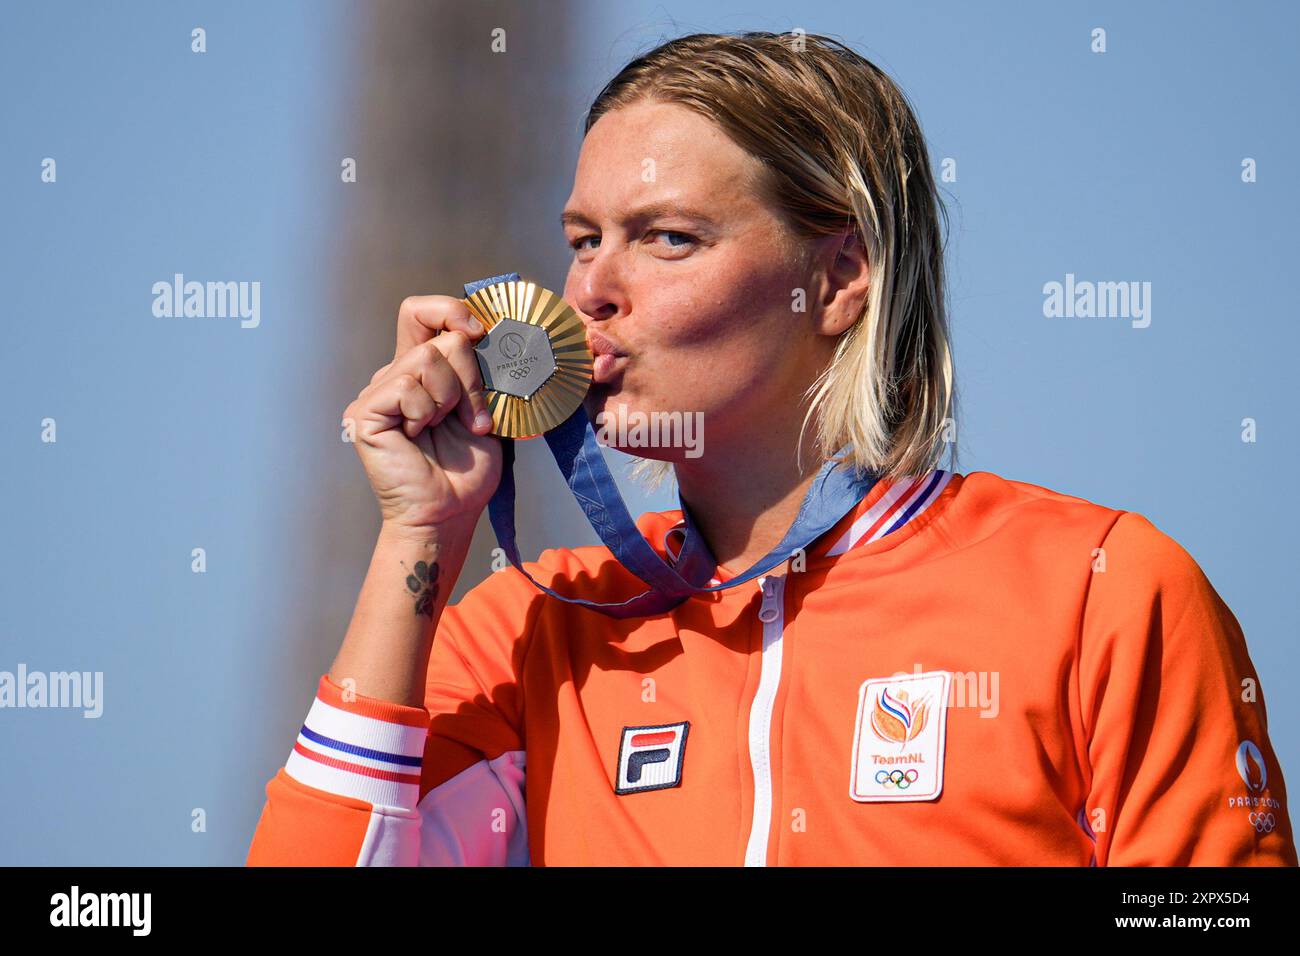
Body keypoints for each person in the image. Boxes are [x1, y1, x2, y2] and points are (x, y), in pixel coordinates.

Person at [245, 30, 1295, 866]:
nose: (589, 291)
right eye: (581, 239)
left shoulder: (1101, 588)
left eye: (667, 237)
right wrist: (414, 538)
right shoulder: (532, 632)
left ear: (838, 278)